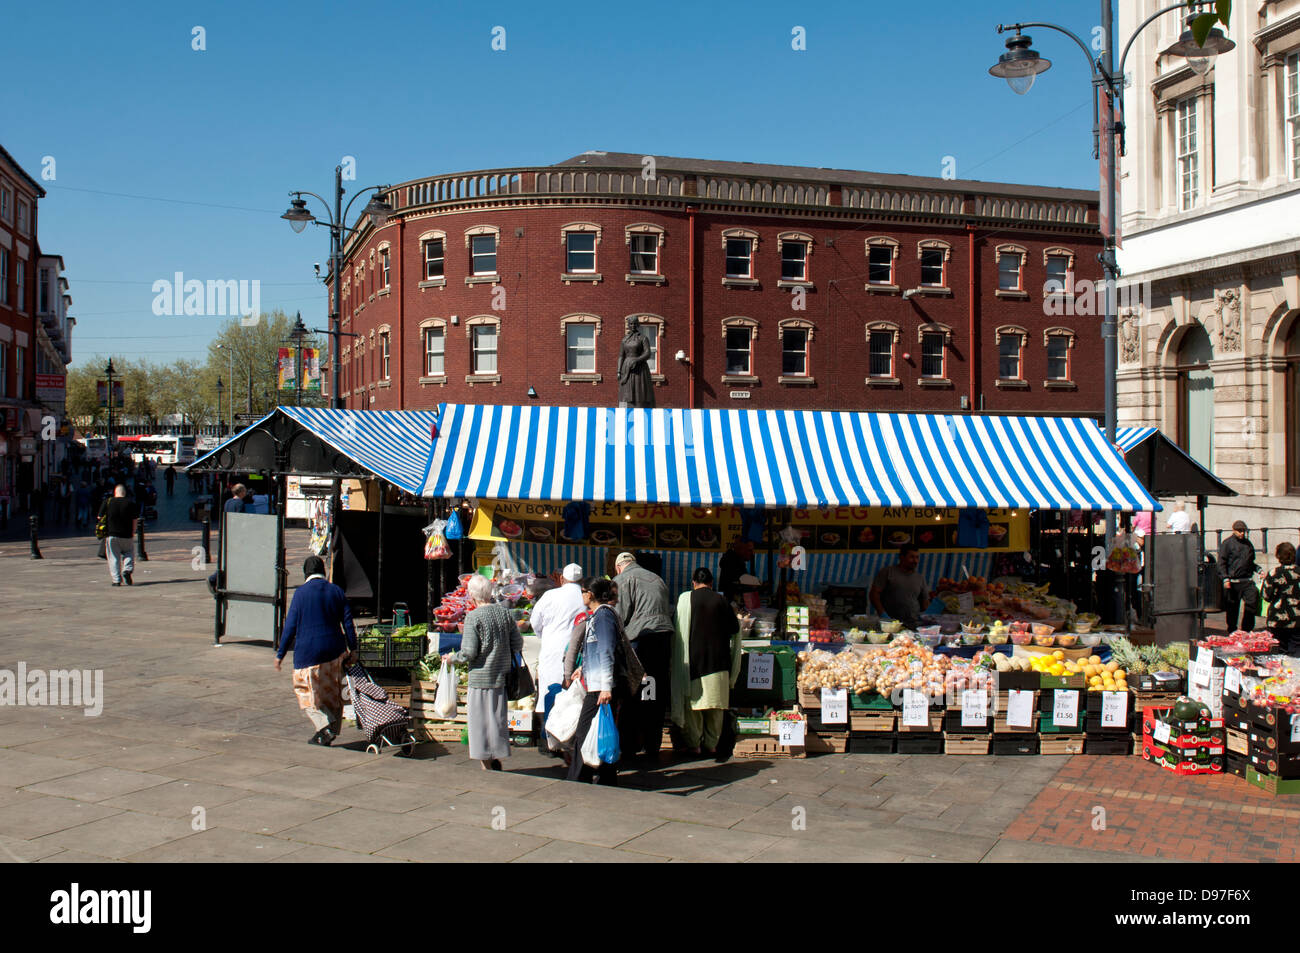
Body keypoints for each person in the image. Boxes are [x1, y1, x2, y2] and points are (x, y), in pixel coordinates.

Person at [274, 556, 358, 745]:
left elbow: (290, 626)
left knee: (306, 693)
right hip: (335, 651)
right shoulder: (336, 591)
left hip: (308, 653)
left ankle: (324, 726)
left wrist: (281, 654)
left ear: (306, 573)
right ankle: (330, 731)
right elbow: (348, 623)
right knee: (332, 693)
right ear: (324, 571)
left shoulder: (301, 593)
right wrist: (353, 648)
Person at [443, 575, 523, 771]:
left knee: (479, 723)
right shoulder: (504, 613)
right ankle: (497, 756)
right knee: (497, 719)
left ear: (472, 595)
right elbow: (518, 643)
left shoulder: (473, 617)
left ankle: (486, 762)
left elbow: (469, 652)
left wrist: (452, 658)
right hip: (500, 676)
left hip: (480, 677)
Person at [671, 567, 741, 757]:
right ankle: (711, 744)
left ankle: (694, 744)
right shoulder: (721, 600)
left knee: (693, 706)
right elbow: (735, 628)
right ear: (711, 584)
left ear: (693, 583)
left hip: (692, 661)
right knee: (715, 706)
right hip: (718, 661)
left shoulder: (685, 599)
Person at [613, 551, 674, 759]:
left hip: (640, 640)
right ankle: (652, 744)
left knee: (633, 692)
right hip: (663, 640)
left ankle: (629, 746)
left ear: (618, 567)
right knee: (654, 692)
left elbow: (620, 615)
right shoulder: (657, 578)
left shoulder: (622, 579)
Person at [568, 577, 621, 785]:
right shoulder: (597, 616)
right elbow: (596, 650)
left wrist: (606, 687)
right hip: (596, 683)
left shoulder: (604, 616)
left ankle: (579, 777)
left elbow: (607, 651)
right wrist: (583, 668)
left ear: (590, 593)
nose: (581, 595)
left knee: (585, 731)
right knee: (597, 731)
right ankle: (604, 777)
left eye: (583, 591)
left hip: (600, 687)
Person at [530, 563, 587, 750]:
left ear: (562, 579)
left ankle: (547, 740)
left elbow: (535, 621)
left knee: (547, 694)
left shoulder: (550, 595)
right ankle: (569, 740)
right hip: (576, 653)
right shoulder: (585, 597)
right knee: (572, 697)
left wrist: (544, 636)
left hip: (552, 651)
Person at [870, 545, 930, 629]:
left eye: (917, 557)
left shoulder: (920, 578)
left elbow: (925, 602)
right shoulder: (888, 572)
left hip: (913, 625)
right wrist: (883, 614)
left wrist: (930, 615)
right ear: (901, 557)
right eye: (912, 557)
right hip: (890, 624)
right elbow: (874, 594)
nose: (915, 561)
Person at [1218, 520, 1259, 632]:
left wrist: (1258, 569)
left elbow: (1250, 562)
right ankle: (1232, 629)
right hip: (1233, 581)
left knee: (1252, 602)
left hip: (1246, 579)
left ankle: (1246, 629)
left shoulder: (1248, 544)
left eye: (1243, 531)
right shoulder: (1227, 543)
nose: (1242, 533)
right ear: (1234, 530)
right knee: (1232, 607)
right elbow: (1221, 562)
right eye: (1239, 531)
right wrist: (1225, 578)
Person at [1261, 542, 1300, 655]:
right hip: (1297, 619)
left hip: (1278, 620)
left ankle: (1282, 670)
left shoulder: (1274, 573)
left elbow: (1266, 596)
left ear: (1279, 556)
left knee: (1280, 650)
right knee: (1296, 648)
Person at [101, 485, 139, 586]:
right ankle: (127, 569)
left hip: (111, 534)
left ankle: (116, 580)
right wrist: (133, 531)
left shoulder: (108, 502)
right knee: (129, 552)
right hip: (126, 534)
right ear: (124, 493)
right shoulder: (130, 503)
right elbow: (135, 519)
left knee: (113, 557)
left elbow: (99, 517)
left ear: (115, 492)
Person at [718, 536, 755, 605]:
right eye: (749, 550)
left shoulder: (735, 560)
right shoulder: (732, 562)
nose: (752, 553)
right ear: (741, 549)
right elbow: (739, 585)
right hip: (730, 605)